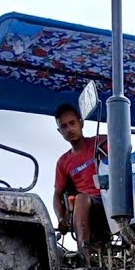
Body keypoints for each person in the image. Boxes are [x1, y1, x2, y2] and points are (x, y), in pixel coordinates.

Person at [52, 103, 109, 261]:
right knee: (81, 198)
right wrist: (61, 219)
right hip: (91, 207)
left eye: (72, 123)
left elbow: (124, 152)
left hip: (112, 197)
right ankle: (85, 256)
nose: (69, 129)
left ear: (81, 123)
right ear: (60, 132)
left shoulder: (102, 142)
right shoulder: (63, 162)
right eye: (64, 126)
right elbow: (57, 196)